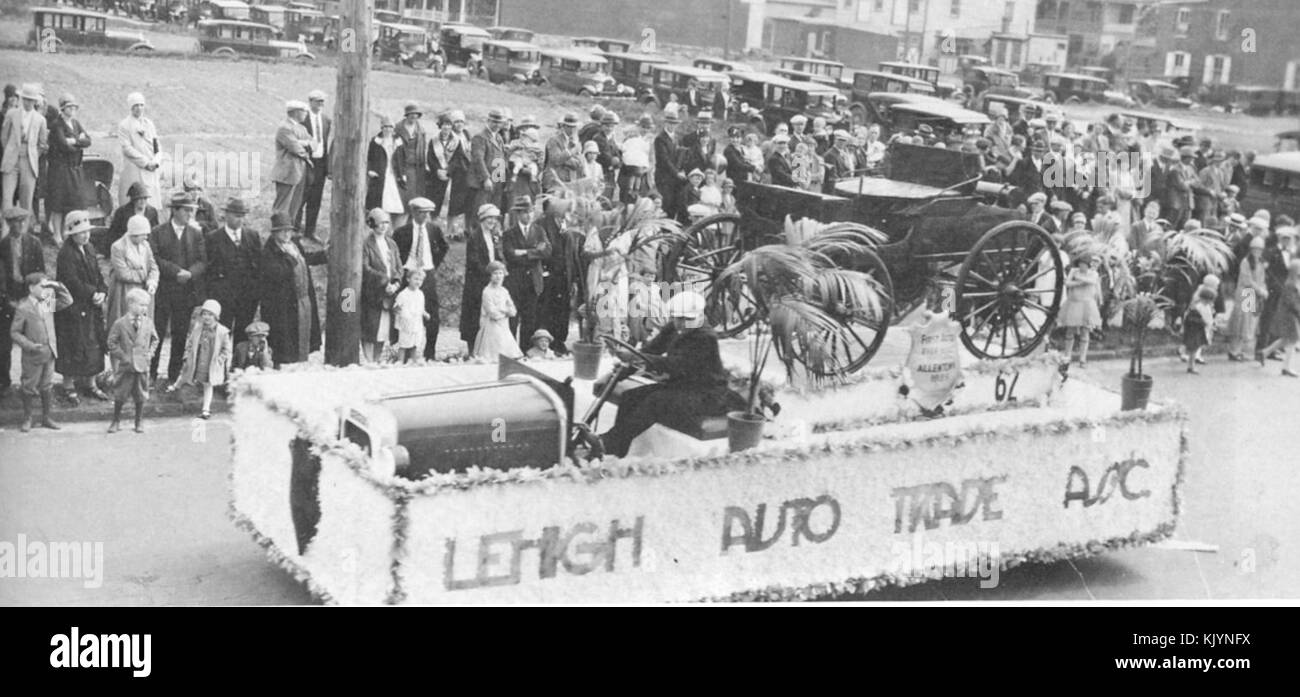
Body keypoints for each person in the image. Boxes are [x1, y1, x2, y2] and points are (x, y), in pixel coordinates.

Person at [600, 291, 745, 458]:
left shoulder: (705, 337)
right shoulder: (674, 327)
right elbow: (650, 350)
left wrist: (633, 357)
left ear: (698, 316)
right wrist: (626, 370)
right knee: (630, 396)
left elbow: (675, 365)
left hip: (705, 394)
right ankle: (616, 447)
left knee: (655, 402)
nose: (680, 324)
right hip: (682, 387)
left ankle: (609, 443)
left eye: (686, 319)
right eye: (677, 318)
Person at [150, 191, 207, 382]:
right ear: (174, 211)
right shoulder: (158, 232)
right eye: (186, 211)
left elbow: (202, 260)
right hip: (164, 292)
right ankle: (151, 374)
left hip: (185, 293)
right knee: (156, 333)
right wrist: (175, 271)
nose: (190, 215)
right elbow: (155, 258)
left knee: (180, 334)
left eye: (191, 211)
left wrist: (190, 273)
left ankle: (174, 376)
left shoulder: (196, 233)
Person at [54, 210, 108, 404]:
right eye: (80, 232)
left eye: (87, 231)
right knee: (73, 343)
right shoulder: (66, 253)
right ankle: (68, 386)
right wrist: (92, 293)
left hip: (91, 305)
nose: (85, 235)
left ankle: (91, 382)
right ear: (71, 233)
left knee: (93, 343)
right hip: (73, 307)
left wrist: (102, 291)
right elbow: (71, 280)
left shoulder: (90, 248)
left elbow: (98, 274)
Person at [260, 213, 325, 366]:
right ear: (275, 232)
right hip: (283, 306)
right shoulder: (269, 252)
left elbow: (306, 259)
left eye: (289, 230)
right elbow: (276, 273)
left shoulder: (294, 244)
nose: (286, 234)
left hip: (303, 300)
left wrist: (323, 255)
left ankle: (300, 365)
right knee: (286, 344)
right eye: (282, 231)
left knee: (303, 337)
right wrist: (290, 260)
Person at [10, 272, 72, 431]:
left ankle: (47, 417)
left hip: (49, 352)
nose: (46, 289)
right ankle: (28, 418)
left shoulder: (47, 301)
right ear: (31, 288)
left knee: (46, 385)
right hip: (32, 354)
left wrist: (58, 286)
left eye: (47, 286)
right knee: (29, 385)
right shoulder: (24, 308)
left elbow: (67, 301)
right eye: (42, 286)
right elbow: (14, 332)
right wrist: (29, 345)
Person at [392, 196, 449, 360]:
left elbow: (444, 247)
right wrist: (402, 268)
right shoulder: (402, 232)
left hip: (427, 273)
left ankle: (429, 352)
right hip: (408, 273)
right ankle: (403, 351)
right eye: (422, 213)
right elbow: (395, 253)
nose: (425, 216)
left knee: (431, 313)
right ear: (413, 213)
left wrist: (432, 265)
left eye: (428, 213)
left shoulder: (433, 229)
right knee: (405, 311)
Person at [205, 197, 261, 344]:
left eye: (242, 216)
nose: (240, 220)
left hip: (247, 296)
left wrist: (254, 290)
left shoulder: (252, 236)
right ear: (226, 216)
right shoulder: (213, 238)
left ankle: (239, 365)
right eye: (237, 216)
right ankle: (220, 365)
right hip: (224, 297)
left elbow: (258, 265)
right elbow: (209, 270)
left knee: (243, 333)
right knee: (222, 333)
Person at [106, 288, 158, 434]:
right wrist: (122, 356)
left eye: (146, 305)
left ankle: (138, 421)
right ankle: (116, 420)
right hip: (126, 365)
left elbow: (155, 339)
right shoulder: (120, 323)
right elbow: (111, 342)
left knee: (141, 393)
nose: (144, 308)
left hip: (142, 365)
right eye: (141, 305)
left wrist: (150, 354)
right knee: (120, 393)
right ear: (130, 304)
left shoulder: (148, 323)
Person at [169, 298, 230, 419]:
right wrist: (187, 354)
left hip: (210, 361)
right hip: (197, 357)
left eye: (210, 314)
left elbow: (226, 349)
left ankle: (206, 409)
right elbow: (190, 342)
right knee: (186, 372)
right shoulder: (197, 328)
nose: (207, 317)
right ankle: (176, 386)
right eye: (204, 314)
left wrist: (220, 359)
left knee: (208, 384)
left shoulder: (222, 332)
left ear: (216, 316)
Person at [44, 94, 90, 246]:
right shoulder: (57, 124)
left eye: (74, 107)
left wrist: (75, 141)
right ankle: (57, 234)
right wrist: (79, 141)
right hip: (60, 171)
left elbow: (88, 140)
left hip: (75, 170)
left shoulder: (76, 123)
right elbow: (63, 145)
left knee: (73, 202)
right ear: (63, 108)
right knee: (58, 203)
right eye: (69, 107)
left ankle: (66, 231)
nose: (72, 110)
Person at [459, 204, 505, 353]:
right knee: (474, 315)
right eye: (489, 218)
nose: (492, 221)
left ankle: (488, 349)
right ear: (482, 219)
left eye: (494, 218)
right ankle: (473, 349)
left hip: (492, 280)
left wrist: (500, 270)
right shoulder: (475, 237)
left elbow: (498, 256)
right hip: (477, 281)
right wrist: (490, 273)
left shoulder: (494, 236)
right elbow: (474, 261)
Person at [502, 195, 547, 347]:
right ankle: (512, 350)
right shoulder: (509, 233)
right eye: (525, 212)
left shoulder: (539, 230)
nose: (528, 215)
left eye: (530, 212)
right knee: (513, 318)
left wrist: (524, 252)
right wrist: (534, 251)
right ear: (518, 214)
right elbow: (510, 255)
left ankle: (526, 349)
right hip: (515, 281)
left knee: (530, 318)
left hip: (533, 281)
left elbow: (547, 251)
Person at [536, 197, 578, 354]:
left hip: (564, 275)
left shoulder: (565, 222)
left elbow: (571, 251)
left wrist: (573, 278)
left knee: (563, 310)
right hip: (550, 274)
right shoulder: (542, 224)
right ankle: (545, 342)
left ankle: (560, 341)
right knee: (547, 309)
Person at [1, 85, 48, 226]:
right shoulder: (11, 114)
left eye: (31, 100)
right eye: (25, 99)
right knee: (7, 198)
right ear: (21, 99)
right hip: (11, 160)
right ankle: (5, 237)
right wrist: (11, 150)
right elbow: (4, 137)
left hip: (29, 160)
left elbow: (42, 144)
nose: (28, 103)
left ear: (36, 102)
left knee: (26, 199)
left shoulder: (40, 120)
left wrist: (32, 154)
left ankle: (23, 235)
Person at [361, 208, 402, 362]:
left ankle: (377, 359)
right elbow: (365, 268)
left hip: (390, 293)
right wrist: (384, 281)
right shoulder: (366, 244)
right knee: (370, 328)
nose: (383, 226)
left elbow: (398, 267)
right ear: (372, 225)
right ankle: (369, 360)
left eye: (386, 223)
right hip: (373, 292)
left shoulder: (391, 244)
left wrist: (396, 284)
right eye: (380, 224)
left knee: (383, 330)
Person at [106, 213, 159, 330]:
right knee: (126, 326)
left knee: (143, 327)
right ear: (134, 234)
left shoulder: (145, 245)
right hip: (125, 291)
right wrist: (144, 275)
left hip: (144, 291)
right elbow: (123, 273)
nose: (146, 237)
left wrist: (152, 281)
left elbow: (153, 266)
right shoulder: (118, 247)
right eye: (143, 234)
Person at [271, 100, 314, 226]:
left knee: (295, 205)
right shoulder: (284, 128)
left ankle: (288, 230)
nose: (306, 114)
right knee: (282, 206)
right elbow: (296, 148)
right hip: (287, 172)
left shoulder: (302, 128)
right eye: (304, 111)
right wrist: (303, 144)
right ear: (295, 112)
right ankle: (277, 230)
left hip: (299, 171)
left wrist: (303, 143)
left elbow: (314, 144)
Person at [116, 92, 160, 208]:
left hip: (152, 168)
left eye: (141, 105)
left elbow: (156, 145)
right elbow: (127, 148)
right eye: (136, 105)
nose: (139, 108)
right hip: (136, 168)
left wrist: (156, 160)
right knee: (139, 199)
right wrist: (145, 163)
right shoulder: (124, 125)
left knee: (152, 201)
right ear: (131, 107)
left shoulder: (149, 124)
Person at [1228, 235, 1268, 362]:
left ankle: (1241, 351)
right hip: (1246, 293)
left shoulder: (1260, 263)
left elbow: (1261, 279)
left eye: (1260, 250)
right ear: (1251, 249)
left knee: (1248, 324)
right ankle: (1234, 350)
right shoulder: (1246, 262)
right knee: (1240, 322)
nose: (1257, 252)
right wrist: (1260, 290)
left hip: (1253, 294)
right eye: (1255, 249)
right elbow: (1247, 280)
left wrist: (1264, 289)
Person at [298, 90, 331, 240]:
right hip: (306, 163)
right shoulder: (302, 120)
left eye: (322, 101)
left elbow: (325, 141)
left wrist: (327, 166)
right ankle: (295, 228)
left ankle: (310, 231)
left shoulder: (325, 120)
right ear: (310, 102)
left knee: (315, 199)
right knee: (301, 196)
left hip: (320, 164)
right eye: (318, 101)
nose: (320, 104)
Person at [1259, 259, 1300, 377]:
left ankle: (1265, 352)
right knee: (1292, 339)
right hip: (1288, 315)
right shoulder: (1291, 285)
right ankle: (1286, 367)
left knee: (1287, 339)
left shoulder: (1294, 283)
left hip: (1291, 314)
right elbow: (1292, 303)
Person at [473, 261, 521, 360]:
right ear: (490, 276)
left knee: (507, 349)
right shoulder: (487, 292)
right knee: (493, 353)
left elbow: (513, 310)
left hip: (504, 326)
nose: (498, 276)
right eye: (495, 273)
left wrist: (505, 310)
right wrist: (505, 312)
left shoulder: (504, 291)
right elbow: (492, 313)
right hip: (491, 326)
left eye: (500, 273)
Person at [392, 101, 429, 229]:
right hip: (401, 167)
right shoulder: (397, 129)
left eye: (416, 114)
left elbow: (423, 150)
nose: (413, 117)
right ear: (406, 115)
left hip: (416, 170)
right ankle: (398, 229)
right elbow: (394, 152)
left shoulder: (421, 130)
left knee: (414, 200)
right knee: (402, 201)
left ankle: (410, 228)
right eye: (411, 114)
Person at [1060, 253, 1101, 368]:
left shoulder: (1094, 273)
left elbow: (1092, 281)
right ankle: (1067, 356)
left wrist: (1079, 280)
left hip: (1087, 304)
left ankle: (1082, 359)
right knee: (1070, 330)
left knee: (1085, 331)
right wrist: (1079, 282)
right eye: (1080, 264)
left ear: (1088, 265)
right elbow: (1067, 283)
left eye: (1084, 265)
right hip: (1074, 302)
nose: (1082, 267)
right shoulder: (1074, 271)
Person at [468, 108, 509, 221]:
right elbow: (478, 159)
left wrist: (502, 179)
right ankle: (476, 235)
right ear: (488, 121)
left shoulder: (499, 137)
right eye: (494, 122)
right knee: (482, 208)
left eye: (499, 122)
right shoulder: (480, 137)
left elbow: (501, 158)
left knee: (495, 208)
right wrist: (486, 178)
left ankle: (492, 234)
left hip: (498, 178)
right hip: (485, 181)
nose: (497, 125)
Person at [365, 116, 405, 217]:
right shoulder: (375, 142)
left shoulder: (398, 142)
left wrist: (403, 173)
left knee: (394, 202)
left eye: (390, 127)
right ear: (381, 128)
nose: (388, 129)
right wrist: (370, 170)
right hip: (380, 174)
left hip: (394, 175)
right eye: (385, 127)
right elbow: (369, 158)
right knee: (379, 201)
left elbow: (403, 159)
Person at [104, 182, 159, 253]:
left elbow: (155, 233)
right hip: (126, 247)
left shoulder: (152, 212)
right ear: (133, 200)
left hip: (146, 248)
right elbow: (113, 234)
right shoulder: (122, 212)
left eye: (145, 198)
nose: (143, 201)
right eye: (139, 198)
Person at [392, 269, 428, 363]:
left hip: (416, 323)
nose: (418, 282)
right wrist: (399, 311)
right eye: (415, 279)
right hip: (406, 324)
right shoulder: (403, 294)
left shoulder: (420, 294)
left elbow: (421, 308)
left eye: (420, 280)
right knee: (404, 344)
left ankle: (413, 363)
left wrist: (425, 313)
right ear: (408, 279)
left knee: (414, 344)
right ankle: (400, 362)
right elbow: (396, 307)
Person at [653, 112, 684, 220]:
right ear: (666, 123)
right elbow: (664, 160)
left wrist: (680, 171)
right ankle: (663, 231)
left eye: (674, 123)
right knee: (666, 204)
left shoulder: (676, 138)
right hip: (664, 177)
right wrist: (676, 173)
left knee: (674, 206)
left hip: (674, 178)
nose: (672, 126)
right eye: (670, 123)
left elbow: (679, 156)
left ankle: (669, 231)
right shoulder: (660, 139)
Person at [543, 113, 583, 192]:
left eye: (574, 127)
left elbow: (578, 164)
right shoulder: (554, 140)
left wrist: (564, 158)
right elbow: (556, 160)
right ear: (563, 126)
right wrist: (570, 153)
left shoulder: (576, 143)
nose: (571, 130)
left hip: (568, 183)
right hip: (553, 182)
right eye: (569, 126)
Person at [618, 114, 654, 204]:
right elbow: (623, 154)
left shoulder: (650, 142)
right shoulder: (630, 138)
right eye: (643, 127)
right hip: (628, 174)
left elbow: (652, 161)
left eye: (647, 128)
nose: (645, 130)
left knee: (639, 203)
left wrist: (644, 170)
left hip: (643, 177)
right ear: (638, 126)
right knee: (626, 201)